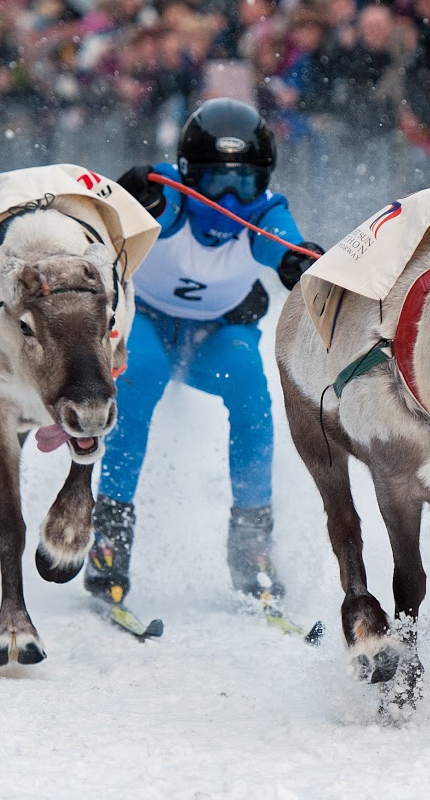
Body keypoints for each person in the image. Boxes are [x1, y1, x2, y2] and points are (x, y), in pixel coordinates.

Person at [96, 99, 323, 607]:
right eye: (215, 180)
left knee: (250, 388)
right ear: (187, 174)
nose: (228, 197)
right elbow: (116, 206)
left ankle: (251, 546)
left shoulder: (264, 210)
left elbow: (281, 242)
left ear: (262, 181)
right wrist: (128, 194)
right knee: (139, 377)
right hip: (150, 324)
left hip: (214, 335)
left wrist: (295, 262)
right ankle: (110, 535)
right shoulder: (170, 197)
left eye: (243, 182)